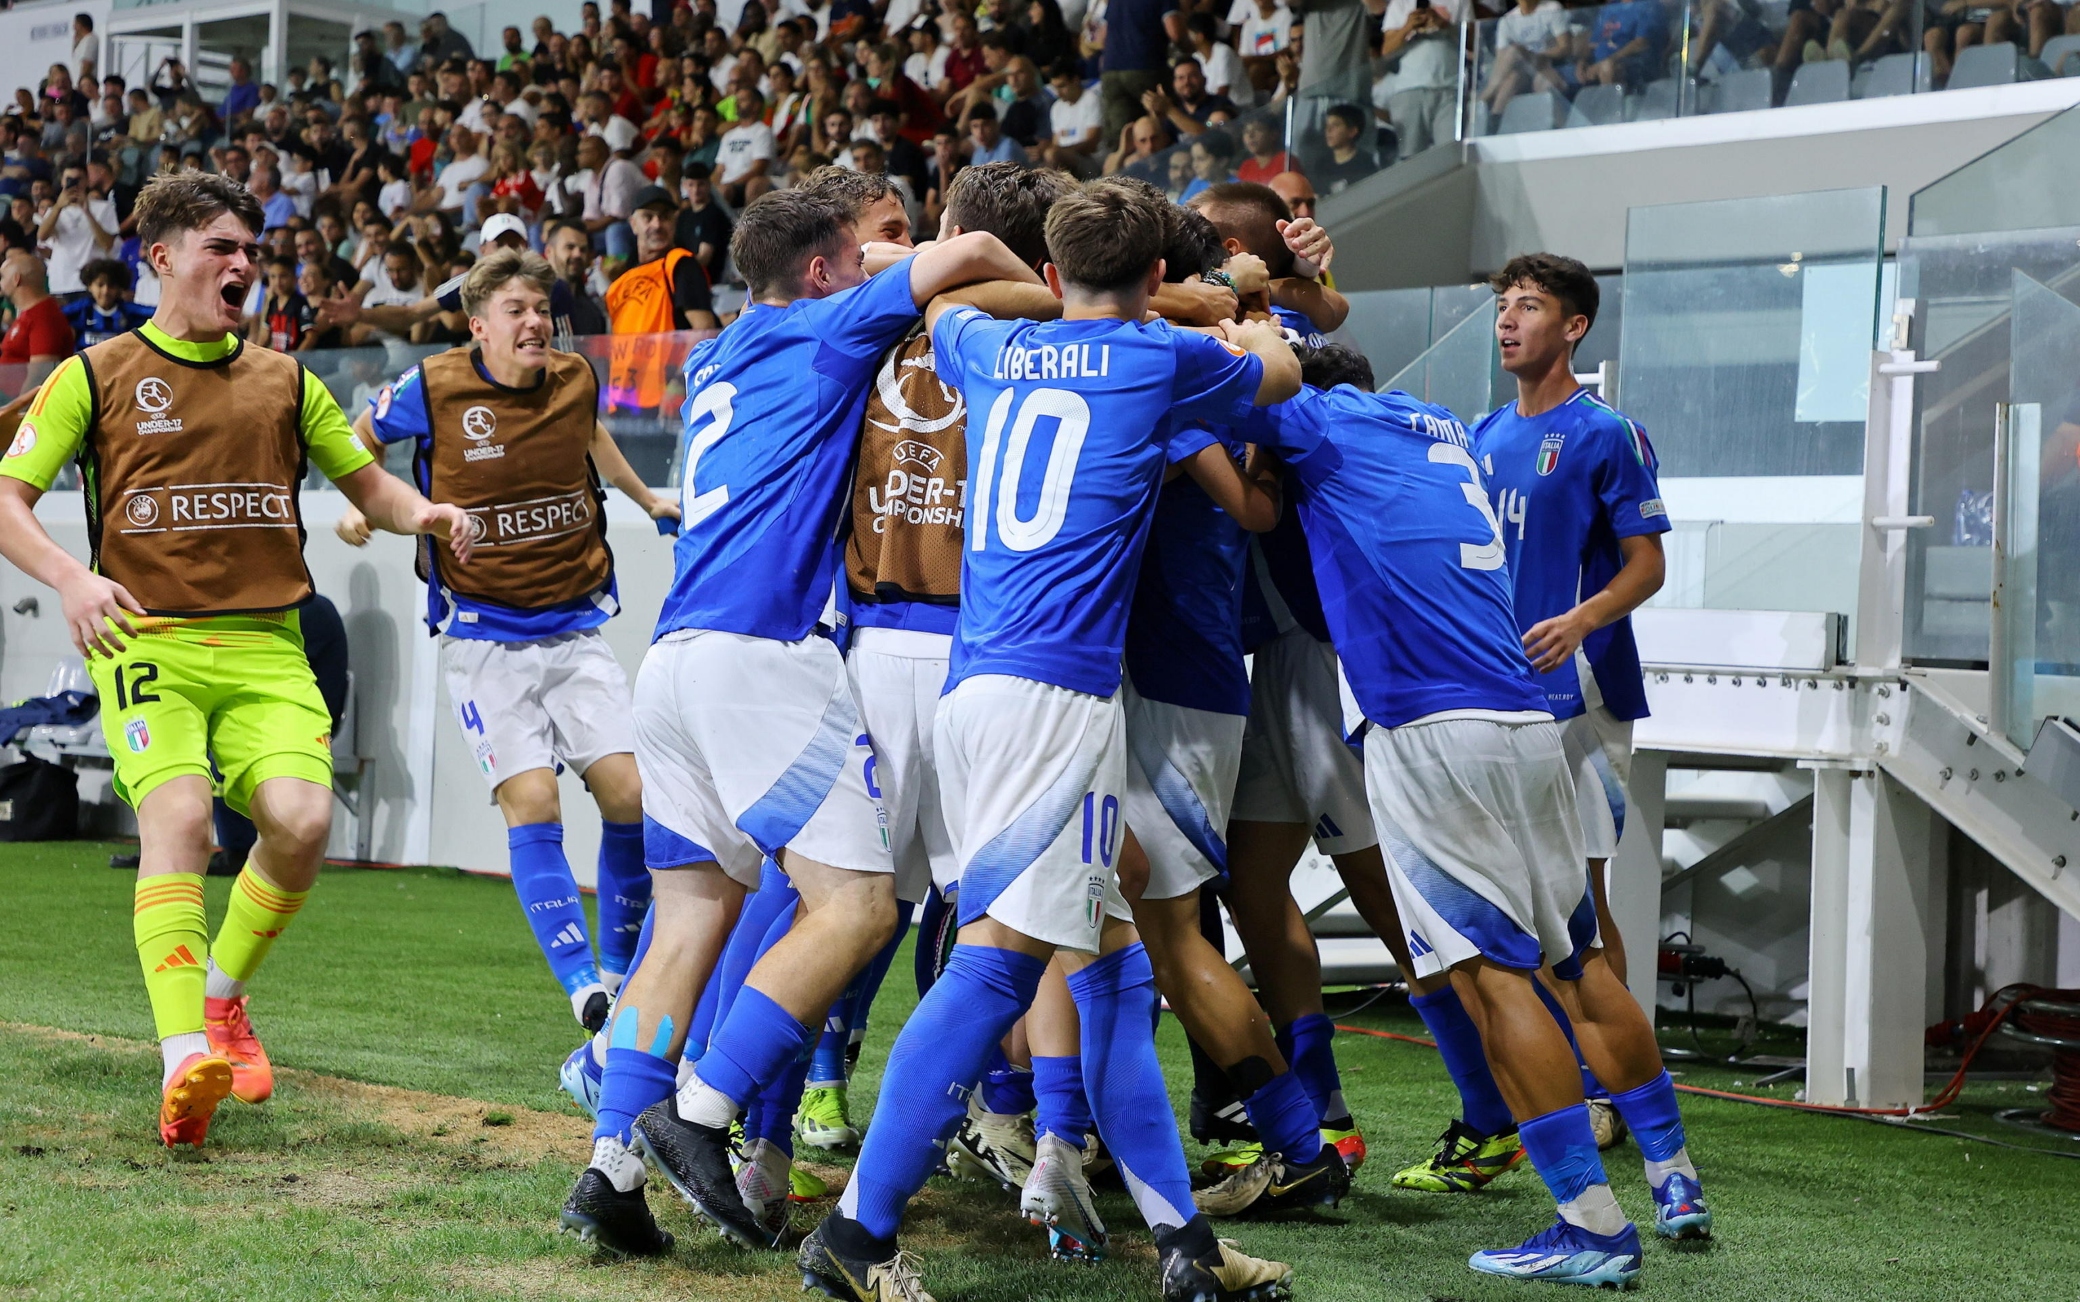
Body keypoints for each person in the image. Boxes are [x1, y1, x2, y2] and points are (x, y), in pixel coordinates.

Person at [797, 177, 1299, 1302]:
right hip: (1057, 701)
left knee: (1114, 963)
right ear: (1154, 274)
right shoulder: (1160, 356)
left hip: (983, 684)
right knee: (994, 969)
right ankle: (856, 1236)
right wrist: (1228, 305)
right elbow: (1280, 371)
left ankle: (1184, 1247)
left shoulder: (989, 345)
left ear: (1058, 271)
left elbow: (942, 296)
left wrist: (1055, 293)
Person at [557, 191, 1040, 1259]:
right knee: (859, 909)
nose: (870, 274)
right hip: (763, 655)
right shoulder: (827, 324)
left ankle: (610, 1174)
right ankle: (702, 1114)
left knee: (685, 924)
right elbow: (970, 251)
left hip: (673, 655)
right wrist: (1046, 294)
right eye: (854, 260)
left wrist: (874, 262)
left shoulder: (717, 354)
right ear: (823, 273)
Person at [0, 170, 469, 1150]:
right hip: (148, 642)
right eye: (221, 247)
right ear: (162, 257)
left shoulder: (286, 380)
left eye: (251, 250)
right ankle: (183, 1063)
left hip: (268, 643)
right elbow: (8, 497)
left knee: (303, 824)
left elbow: (369, 486)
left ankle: (221, 1000)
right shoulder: (95, 373)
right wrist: (73, 580)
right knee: (178, 821)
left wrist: (421, 512)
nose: (243, 265)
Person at [1230, 341, 1707, 1287]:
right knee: (1580, 960)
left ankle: (1590, 1225)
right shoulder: (1442, 424)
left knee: (1494, 978)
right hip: (1527, 717)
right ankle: (1674, 1176)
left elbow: (1236, 381)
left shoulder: (1313, 420)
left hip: (1428, 730)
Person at [1390, 255, 1693, 1222]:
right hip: (1495, 698)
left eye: (1529, 306)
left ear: (1574, 327)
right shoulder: (1479, 435)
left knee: (1581, 906)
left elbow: (1647, 563)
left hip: (1584, 692)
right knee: (1521, 910)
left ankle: (1606, 1094)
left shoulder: (1605, 432)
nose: (1508, 321)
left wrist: (1582, 619)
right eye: (1502, 305)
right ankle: (1559, 1092)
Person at [335, 248, 679, 1032]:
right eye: (516, 311)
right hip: (483, 632)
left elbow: (593, 436)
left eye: (542, 310)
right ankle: (582, 986)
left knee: (631, 795)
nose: (535, 323)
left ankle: (619, 976)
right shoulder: (433, 386)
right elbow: (360, 435)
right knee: (534, 801)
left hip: (574, 623)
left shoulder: (574, 378)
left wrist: (645, 498)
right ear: (479, 326)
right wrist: (362, 502)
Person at [40, 159, 117, 301]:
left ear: (87, 181)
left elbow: (107, 244)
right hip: (61, 281)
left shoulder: (104, 208)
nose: (74, 184)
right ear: (62, 182)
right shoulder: (53, 211)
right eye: (69, 179)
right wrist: (58, 207)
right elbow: (42, 236)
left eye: (78, 179)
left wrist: (87, 212)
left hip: (92, 282)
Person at [1, 251, 78, 386]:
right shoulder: (31, 313)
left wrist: (19, 401)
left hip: (21, 399)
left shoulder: (44, 317)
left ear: (16, 279)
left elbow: (40, 376)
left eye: (2, 277)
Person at [64, 256, 153, 345]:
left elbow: (154, 314)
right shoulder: (80, 310)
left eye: (111, 286)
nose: (105, 291)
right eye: (100, 285)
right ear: (89, 286)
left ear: (119, 288)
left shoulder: (129, 312)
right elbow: (58, 318)